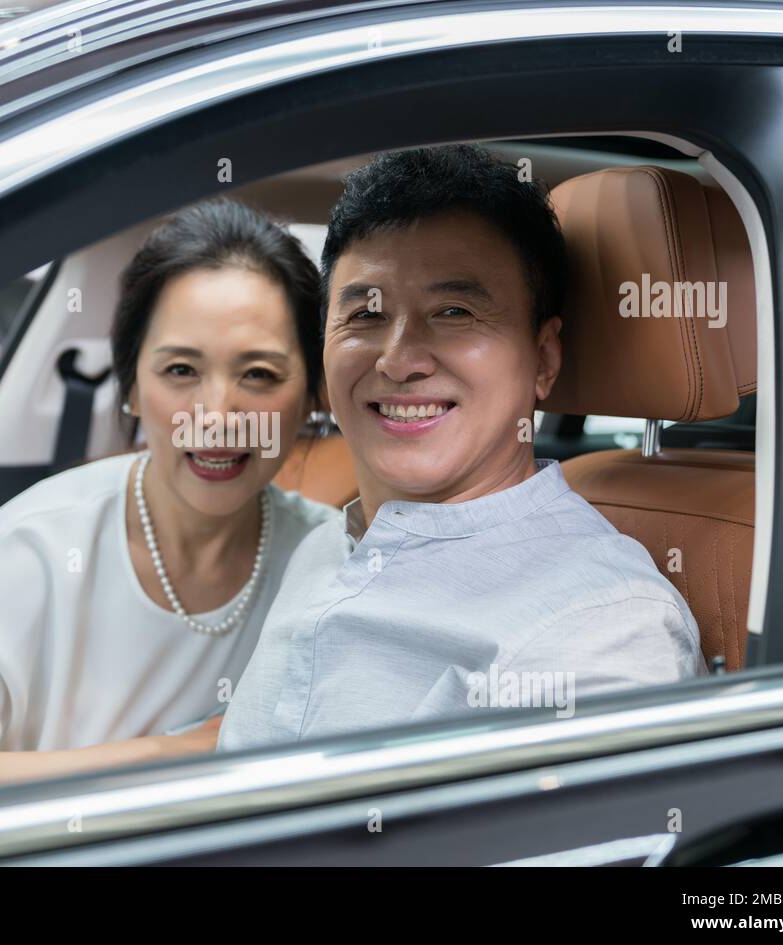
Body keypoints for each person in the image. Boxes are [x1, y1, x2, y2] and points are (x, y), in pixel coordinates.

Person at [218, 145, 706, 750]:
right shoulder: (326, 545)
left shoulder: (600, 628)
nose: (398, 360)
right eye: (366, 314)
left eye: (454, 311)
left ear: (544, 359)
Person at [0, 199, 336, 801]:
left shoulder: (326, 564)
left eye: (259, 375)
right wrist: (169, 754)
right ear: (133, 389)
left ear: (310, 400)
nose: (217, 416)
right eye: (180, 370)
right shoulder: (37, 544)